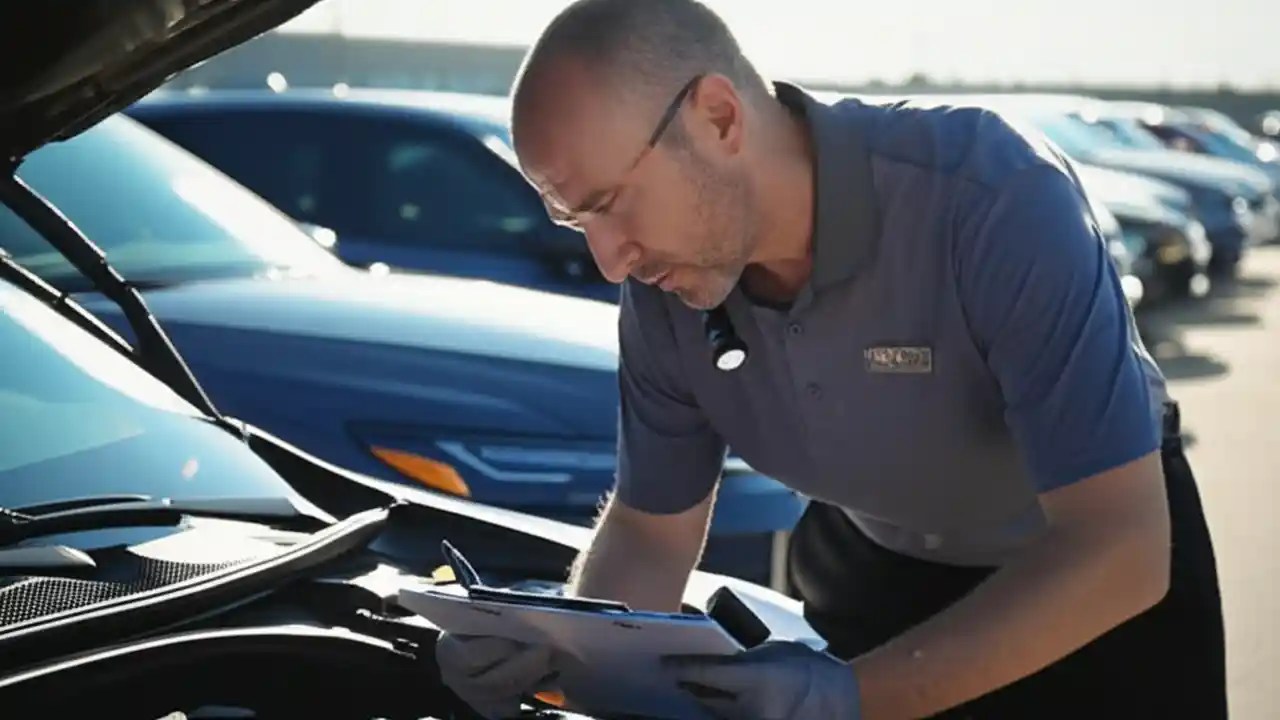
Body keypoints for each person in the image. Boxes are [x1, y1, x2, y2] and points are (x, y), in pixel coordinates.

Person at [434, 1, 1228, 718]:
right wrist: (560, 656)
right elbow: (650, 532)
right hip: (876, 572)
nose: (609, 260)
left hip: (1097, 593)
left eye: (609, 204)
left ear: (718, 117)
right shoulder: (664, 285)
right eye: (577, 222)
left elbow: (1120, 545)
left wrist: (854, 697)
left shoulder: (992, 197)